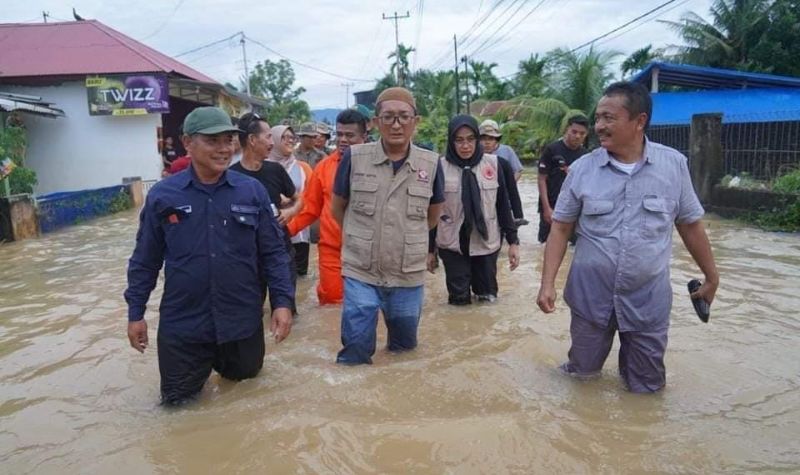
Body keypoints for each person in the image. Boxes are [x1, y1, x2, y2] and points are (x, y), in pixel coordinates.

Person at [536, 82, 719, 393]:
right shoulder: (582, 169)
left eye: (609, 118)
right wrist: (547, 283)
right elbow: (561, 227)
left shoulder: (673, 165)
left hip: (647, 300)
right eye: (598, 118)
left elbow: (690, 225)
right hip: (591, 298)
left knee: (646, 388)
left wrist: (711, 277)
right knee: (582, 378)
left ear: (639, 121)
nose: (599, 127)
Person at [124, 107, 294, 405]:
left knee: (246, 406)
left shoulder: (251, 192)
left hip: (241, 323)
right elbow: (145, 260)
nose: (224, 148)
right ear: (188, 143)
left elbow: (274, 253)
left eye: (229, 140)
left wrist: (282, 302)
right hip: (184, 328)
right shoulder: (164, 196)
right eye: (213, 140)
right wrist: (135, 313)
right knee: (178, 411)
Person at [331, 87, 445, 365]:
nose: (396, 124)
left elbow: (432, 217)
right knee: (355, 350)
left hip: (408, 274)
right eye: (389, 117)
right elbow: (338, 209)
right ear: (375, 122)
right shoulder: (354, 158)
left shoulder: (430, 164)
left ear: (415, 121)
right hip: (361, 269)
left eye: (404, 117)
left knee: (404, 352)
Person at [428, 115, 520, 305]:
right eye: (459, 140)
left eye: (470, 139)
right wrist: (430, 250)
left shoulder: (497, 165)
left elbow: (503, 206)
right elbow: (432, 212)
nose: (465, 146)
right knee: (458, 302)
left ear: (477, 140)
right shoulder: (438, 168)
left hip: (487, 243)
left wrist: (513, 242)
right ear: (451, 141)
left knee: (488, 300)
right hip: (452, 245)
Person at [287, 109, 369, 304]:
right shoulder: (324, 167)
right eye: (339, 134)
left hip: (369, 252)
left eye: (350, 135)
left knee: (369, 306)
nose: (343, 140)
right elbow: (309, 209)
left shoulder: (381, 165)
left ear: (364, 137)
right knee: (332, 303)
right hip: (332, 251)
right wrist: (282, 231)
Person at [230, 112, 303, 312]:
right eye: (268, 136)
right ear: (252, 140)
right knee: (251, 312)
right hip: (248, 257)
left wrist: (290, 212)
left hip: (281, 251)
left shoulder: (275, 170)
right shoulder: (231, 177)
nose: (273, 142)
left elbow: (298, 199)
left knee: (287, 309)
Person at [267, 125, 314, 276]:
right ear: (273, 139)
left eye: (292, 138)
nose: (290, 141)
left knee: (300, 278)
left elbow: (311, 197)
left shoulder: (303, 167)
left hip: (300, 232)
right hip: (272, 232)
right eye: (284, 137)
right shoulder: (262, 167)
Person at [537, 115, 589, 243]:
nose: (577, 136)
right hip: (552, 204)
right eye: (574, 132)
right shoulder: (552, 150)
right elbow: (541, 179)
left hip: (574, 207)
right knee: (547, 243)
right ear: (567, 130)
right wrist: (546, 208)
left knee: (573, 246)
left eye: (582, 133)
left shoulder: (586, 155)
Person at [478, 120, 526, 225]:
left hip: (504, 196)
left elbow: (518, 170)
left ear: (496, 140)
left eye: (491, 138)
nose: (487, 142)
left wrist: (507, 185)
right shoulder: (475, 155)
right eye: (483, 138)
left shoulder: (506, 151)